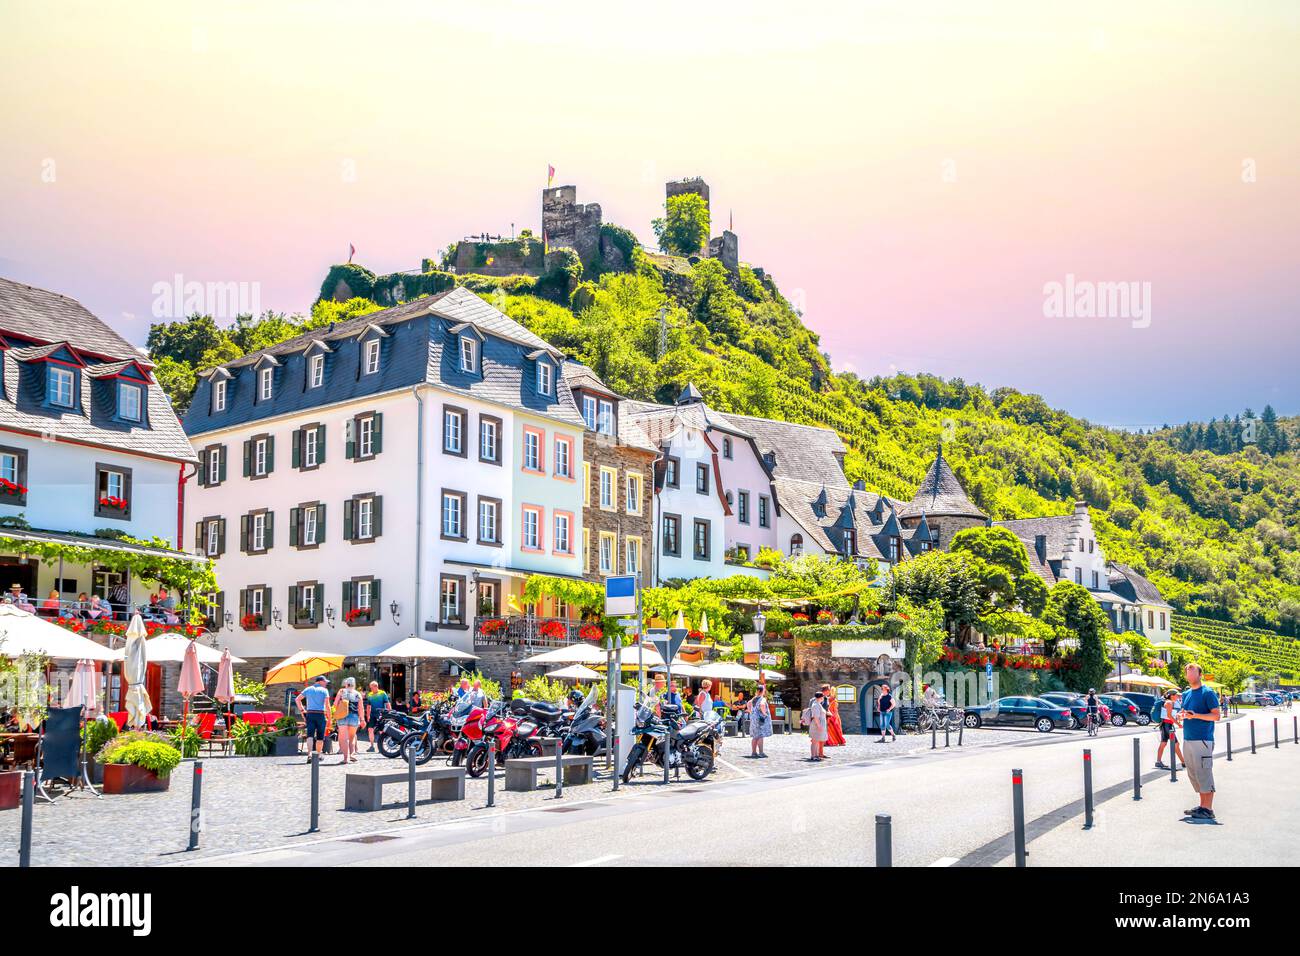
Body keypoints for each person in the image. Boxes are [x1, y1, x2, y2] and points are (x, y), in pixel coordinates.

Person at [1180, 662, 1221, 821]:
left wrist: (1195, 715)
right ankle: (1202, 806)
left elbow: (1216, 716)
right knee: (1194, 773)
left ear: (1199, 675)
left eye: (1192, 672)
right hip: (1188, 738)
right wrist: (1182, 715)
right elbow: (1186, 712)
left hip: (1203, 739)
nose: (1189, 675)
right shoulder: (1186, 694)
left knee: (1204, 772)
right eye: (1187, 673)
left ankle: (1208, 809)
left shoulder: (1208, 693)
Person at [295, 676, 331, 763]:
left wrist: (302, 711)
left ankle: (310, 754)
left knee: (310, 735)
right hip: (320, 714)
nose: (326, 683)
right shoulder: (324, 691)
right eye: (325, 682)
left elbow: (297, 699)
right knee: (320, 737)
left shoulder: (308, 689)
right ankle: (318, 755)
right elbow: (327, 705)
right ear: (319, 682)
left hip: (310, 714)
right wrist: (330, 718)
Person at [333, 677, 365, 764]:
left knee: (344, 738)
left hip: (342, 716)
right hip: (354, 717)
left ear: (346, 684)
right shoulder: (358, 694)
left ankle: (346, 758)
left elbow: (335, 704)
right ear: (354, 684)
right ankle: (352, 754)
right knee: (352, 737)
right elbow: (361, 708)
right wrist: (362, 719)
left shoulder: (341, 691)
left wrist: (333, 715)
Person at [1155, 690, 1183, 770]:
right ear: (1172, 695)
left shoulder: (1170, 702)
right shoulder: (1169, 703)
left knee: (1163, 743)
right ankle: (1183, 762)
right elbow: (1169, 716)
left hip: (1165, 725)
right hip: (1167, 725)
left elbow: (1170, 715)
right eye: (1177, 695)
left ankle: (1158, 761)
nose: (1178, 697)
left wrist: (1178, 716)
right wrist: (1178, 724)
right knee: (1176, 744)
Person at [364, 681, 391, 752]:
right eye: (370, 688)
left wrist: (390, 713)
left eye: (372, 688)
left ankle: (381, 747)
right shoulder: (369, 694)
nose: (371, 689)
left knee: (381, 730)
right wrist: (368, 716)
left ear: (376, 686)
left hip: (381, 714)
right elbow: (368, 706)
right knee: (370, 729)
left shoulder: (382, 693)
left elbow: (387, 704)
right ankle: (372, 746)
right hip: (372, 714)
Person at [749, 685, 772, 758]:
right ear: (762, 691)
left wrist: (751, 711)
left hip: (753, 718)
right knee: (760, 735)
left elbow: (748, 704)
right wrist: (765, 713)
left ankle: (753, 752)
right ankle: (761, 752)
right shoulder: (762, 699)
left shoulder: (754, 698)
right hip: (760, 719)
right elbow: (762, 705)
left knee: (755, 736)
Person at [805, 691, 828, 761]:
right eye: (822, 697)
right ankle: (813, 755)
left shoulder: (818, 704)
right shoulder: (815, 705)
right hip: (816, 725)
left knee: (817, 741)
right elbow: (816, 717)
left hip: (818, 724)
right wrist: (819, 726)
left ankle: (816, 755)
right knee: (814, 741)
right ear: (821, 697)